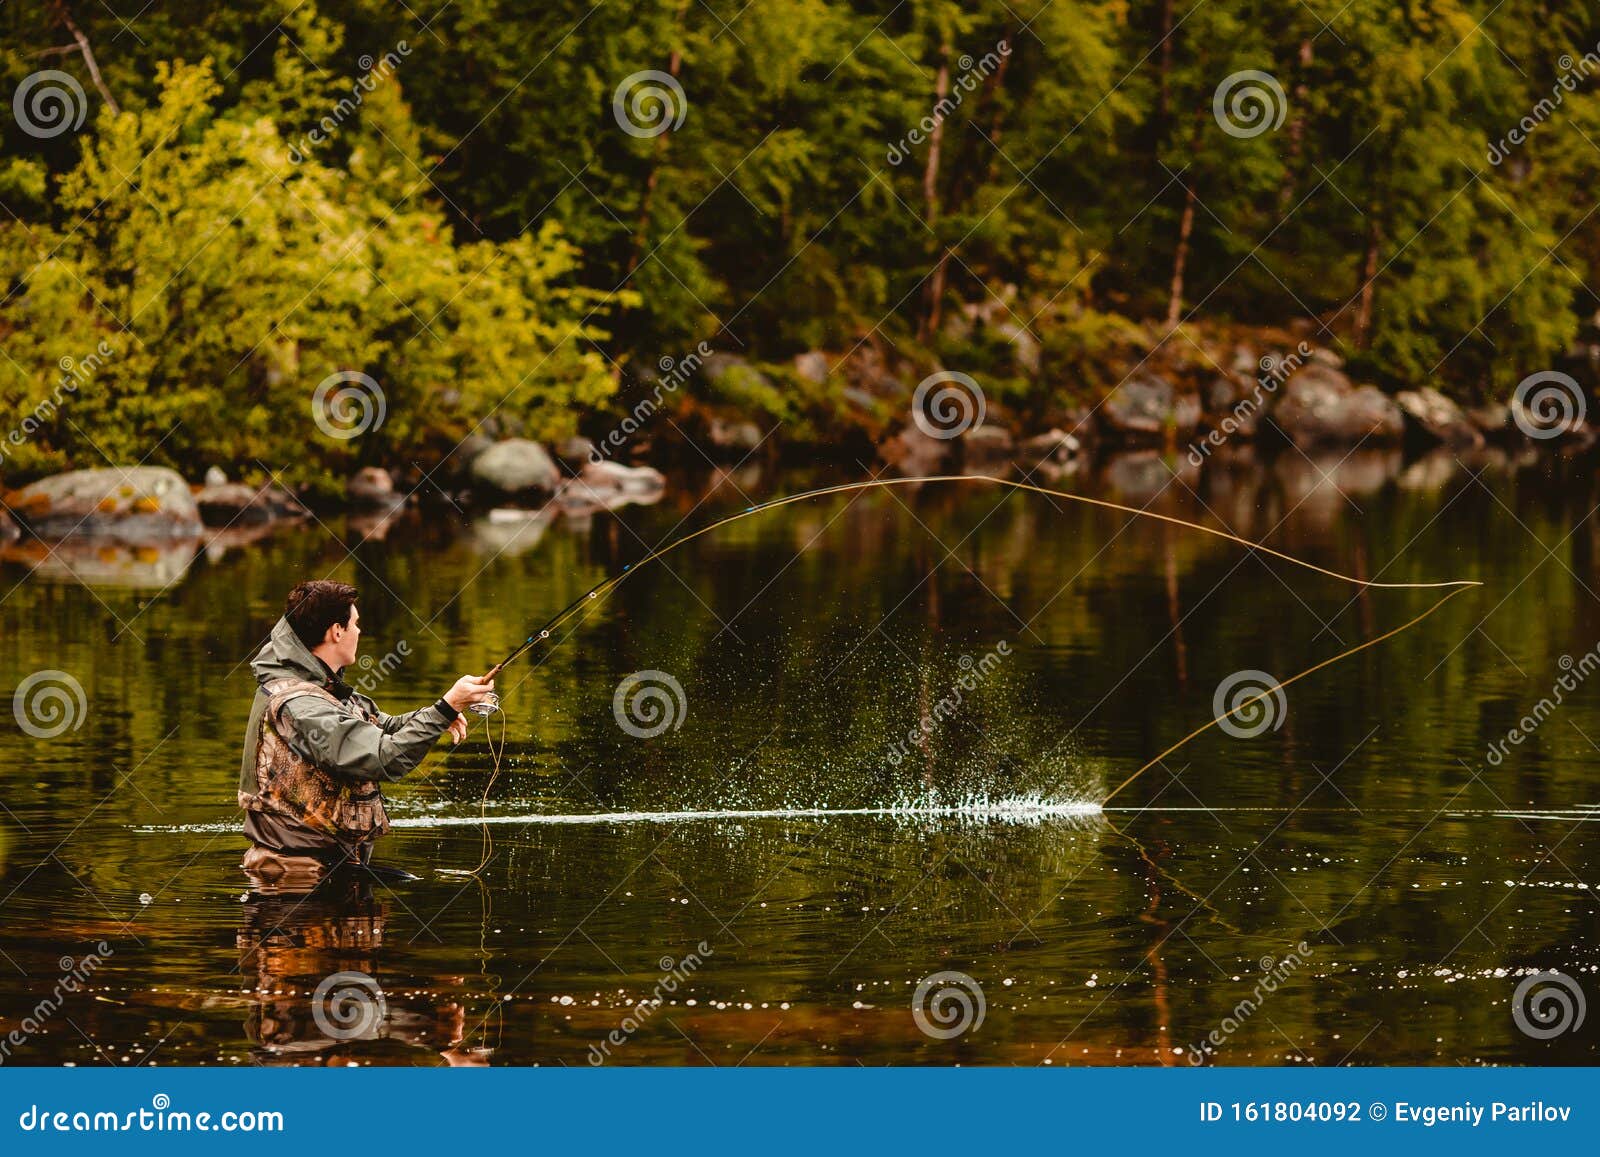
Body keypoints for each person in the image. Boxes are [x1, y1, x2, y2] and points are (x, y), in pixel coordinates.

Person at [238, 579, 496, 883]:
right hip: (296, 881)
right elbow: (385, 757)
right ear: (337, 631)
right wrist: (445, 709)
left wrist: (439, 713)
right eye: (356, 624)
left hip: (324, 871)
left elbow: (379, 728)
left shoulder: (317, 687)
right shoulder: (304, 706)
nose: (359, 632)